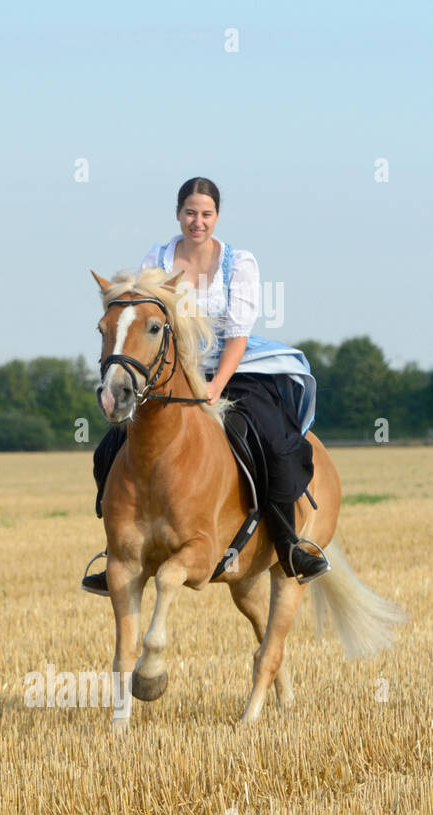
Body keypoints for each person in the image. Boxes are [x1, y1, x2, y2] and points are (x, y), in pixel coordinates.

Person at [81, 177, 329, 593]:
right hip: (172, 368)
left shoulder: (240, 262)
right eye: (191, 213)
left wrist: (216, 387)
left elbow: (238, 335)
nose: (198, 221)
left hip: (234, 367)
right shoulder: (157, 258)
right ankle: (117, 553)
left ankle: (288, 543)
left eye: (207, 214)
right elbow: (144, 318)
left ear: (217, 217)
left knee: (273, 438)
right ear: (178, 214)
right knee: (111, 447)